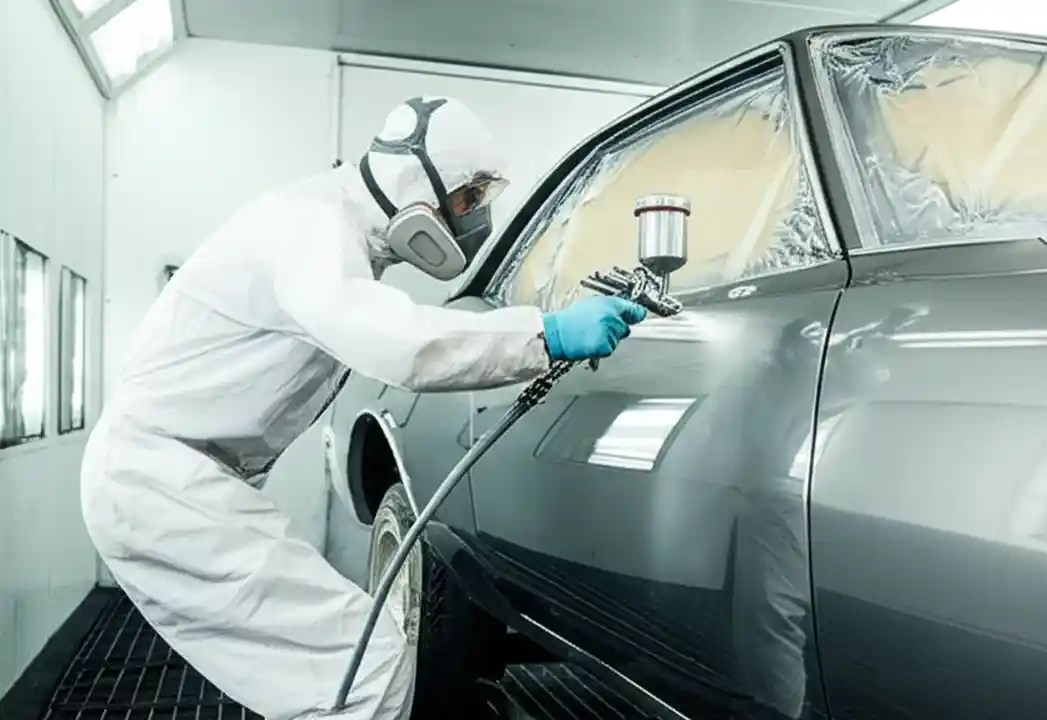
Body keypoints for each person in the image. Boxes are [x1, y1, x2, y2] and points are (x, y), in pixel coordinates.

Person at [79, 96, 646, 720]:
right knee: (362, 674)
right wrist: (546, 332)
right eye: (468, 200)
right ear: (417, 187)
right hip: (160, 484)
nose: (473, 219)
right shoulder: (312, 224)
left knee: (331, 678)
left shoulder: (336, 232)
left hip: (181, 482)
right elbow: (401, 345)